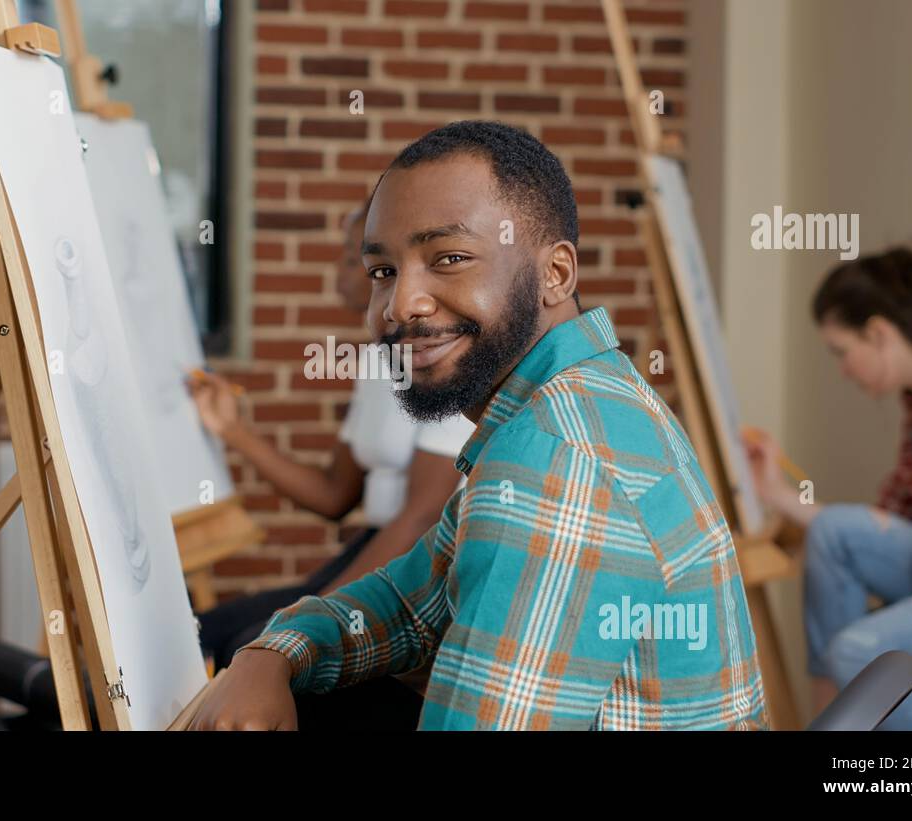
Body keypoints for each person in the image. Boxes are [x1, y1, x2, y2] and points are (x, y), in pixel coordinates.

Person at [189, 120, 768, 730]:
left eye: (450, 258)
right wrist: (270, 652)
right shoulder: (567, 402)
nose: (400, 304)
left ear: (557, 274)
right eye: (383, 271)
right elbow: (408, 605)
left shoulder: (555, 460)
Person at [188, 202, 476, 681]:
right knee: (204, 631)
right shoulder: (377, 362)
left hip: (414, 567)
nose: (342, 270)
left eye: (356, 259)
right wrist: (232, 430)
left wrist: (315, 617)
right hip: (370, 546)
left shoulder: (440, 359)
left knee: (248, 647)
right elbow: (333, 495)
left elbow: (422, 517)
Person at [745, 248, 912, 730]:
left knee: (861, 650)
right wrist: (777, 494)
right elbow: (879, 523)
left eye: (843, 352)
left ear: (879, 333)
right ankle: (834, 725)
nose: (843, 369)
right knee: (834, 534)